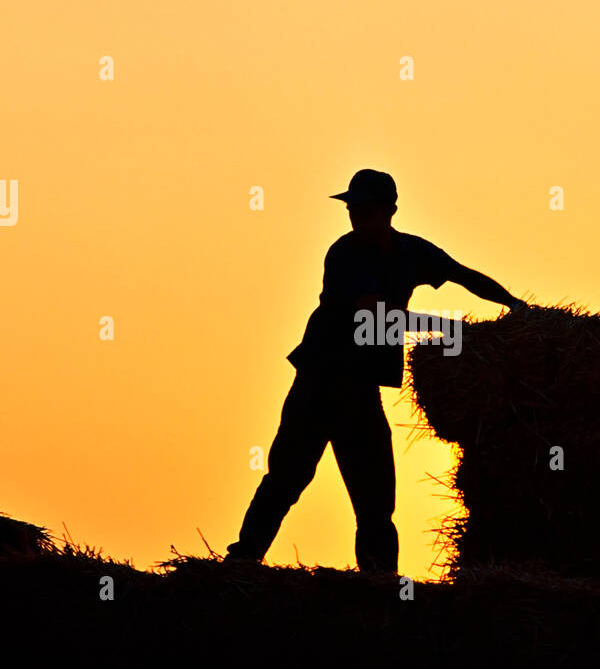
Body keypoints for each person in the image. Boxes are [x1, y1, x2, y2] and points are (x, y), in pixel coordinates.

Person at [225, 169, 525, 572]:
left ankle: (380, 584)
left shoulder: (412, 252)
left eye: (365, 210)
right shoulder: (345, 253)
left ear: (390, 211)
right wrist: (451, 328)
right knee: (285, 480)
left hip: (361, 390)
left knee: (376, 501)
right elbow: (374, 318)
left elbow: (465, 276)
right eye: (352, 210)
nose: (356, 217)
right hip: (319, 383)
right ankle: (242, 560)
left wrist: (516, 308)